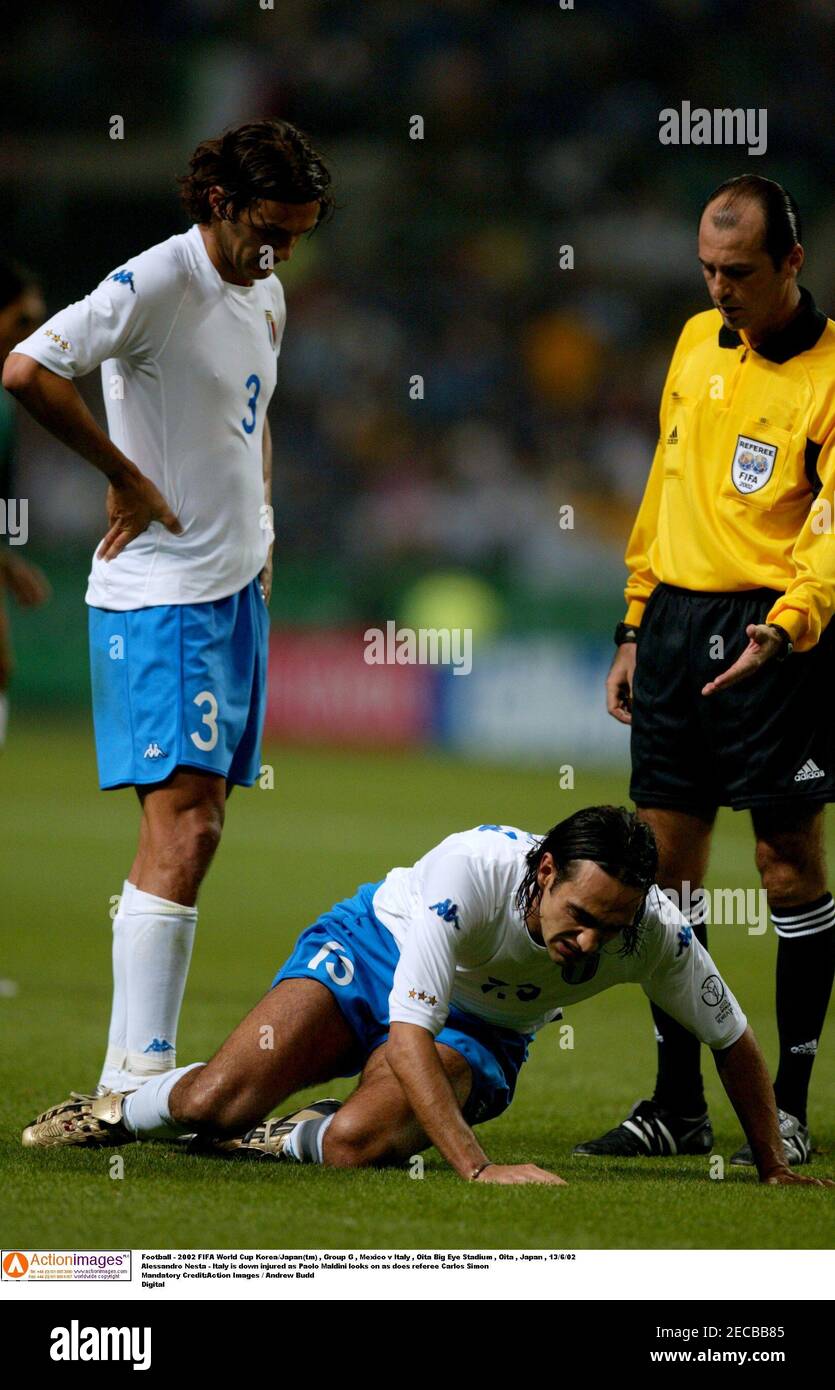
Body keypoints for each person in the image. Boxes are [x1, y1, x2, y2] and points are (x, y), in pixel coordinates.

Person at [3, 119, 333, 1097]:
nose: (282, 254)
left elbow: (250, 416)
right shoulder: (157, 279)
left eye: (301, 235)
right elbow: (26, 370)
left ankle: (129, 1075)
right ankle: (134, 1075)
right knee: (181, 827)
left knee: (206, 824)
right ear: (219, 204)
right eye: (272, 228)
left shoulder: (265, 291)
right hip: (162, 597)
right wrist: (126, 476)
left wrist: (264, 533)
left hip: (234, 592)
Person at [22, 807, 832, 1188]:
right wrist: (476, 1171)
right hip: (371, 954)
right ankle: (120, 1108)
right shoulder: (468, 869)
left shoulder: (647, 931)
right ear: (543, 871)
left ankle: (290, 1137)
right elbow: (407, 1030)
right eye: (580, 918)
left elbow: (732, 1039)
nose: (589, 943)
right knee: (212, 1101)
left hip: (481, 1030)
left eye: (609, 928)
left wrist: (770, 1168)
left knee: (351, 1146)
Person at [586, 175, 835, 1166]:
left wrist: (789, 624)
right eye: (706, 269)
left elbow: (829, 529)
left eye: (736, 271)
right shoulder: (696, 343)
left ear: (791, 263)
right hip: (677, 623)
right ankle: (676, 1102)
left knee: (784, 863)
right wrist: (635, 620)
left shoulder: (827, 372)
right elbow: (667, 483)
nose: (718, 288)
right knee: (665, 873)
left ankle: (789, 1100)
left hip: (775, 630)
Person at [0, 258, 51, 744]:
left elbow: (4, 497)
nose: (30, 334)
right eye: (22, 320)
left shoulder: (6, 402)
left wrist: (9, 552)